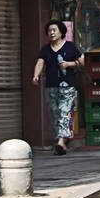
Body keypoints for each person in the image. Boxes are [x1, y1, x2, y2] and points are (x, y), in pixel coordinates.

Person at [32, 20, 83, 154]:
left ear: (61, 32)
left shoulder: (70, 47)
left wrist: (69, 64)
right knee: (54, 114)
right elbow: (40, 62)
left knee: (64, 112)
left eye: (54, 30)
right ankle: (63, 141)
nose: (51, 33)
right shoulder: (45, 49)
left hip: (68, 86)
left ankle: (60, 142)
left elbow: (82, 61)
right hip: (51, 86)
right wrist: (35, 76)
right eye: (49, 31)